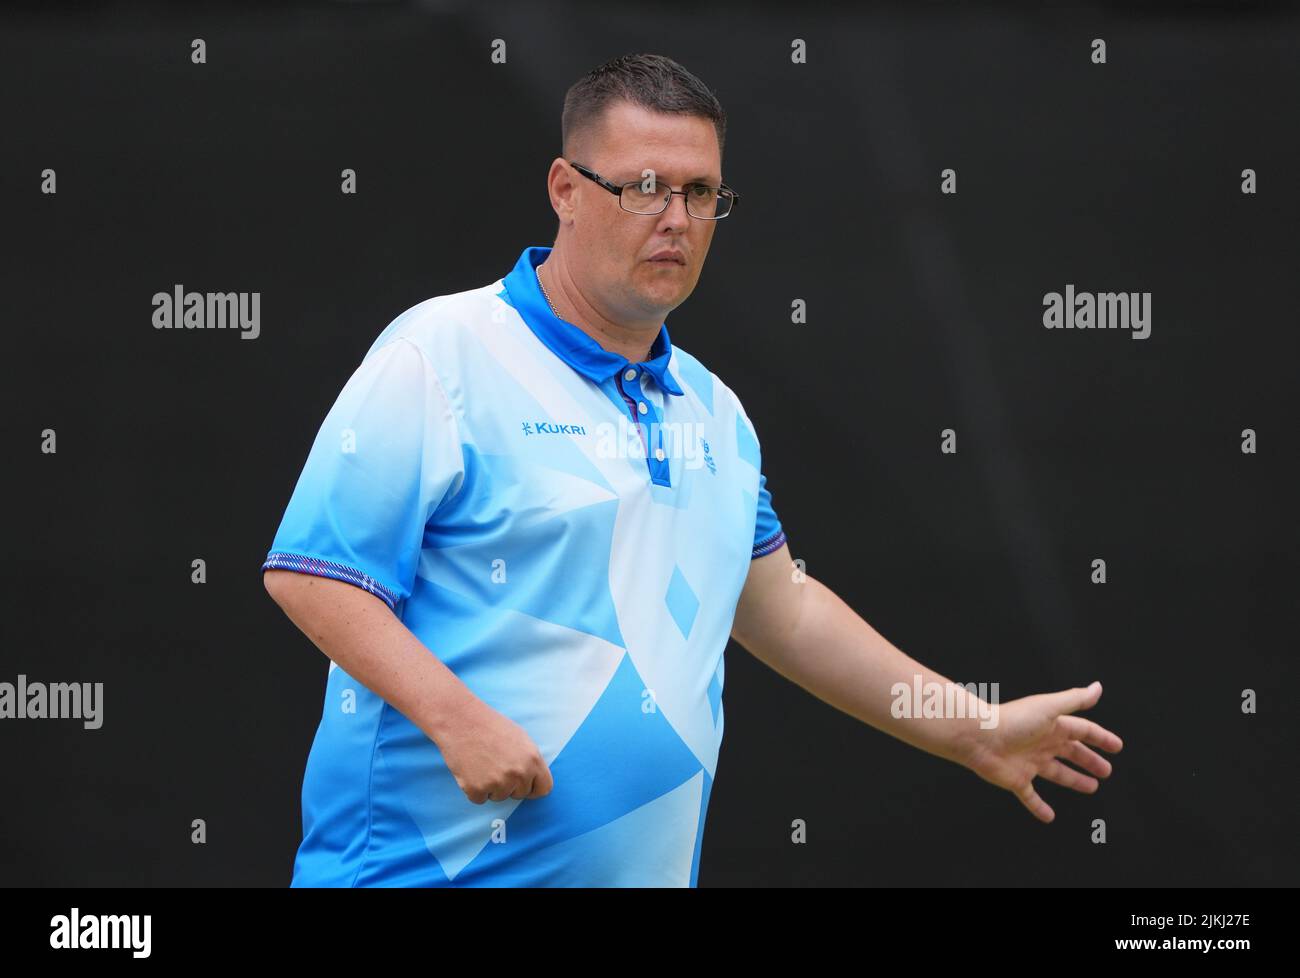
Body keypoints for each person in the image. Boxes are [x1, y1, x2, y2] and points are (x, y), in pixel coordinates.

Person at [261, 53, 1123, 887]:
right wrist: (458, 720)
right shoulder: (443, 352)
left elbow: (783, 611)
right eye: (642, 187)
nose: (675, 217)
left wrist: (973, 730)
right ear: (566, 190)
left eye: (700, 192)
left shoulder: (714, 412)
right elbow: (314, 577)